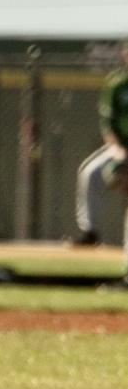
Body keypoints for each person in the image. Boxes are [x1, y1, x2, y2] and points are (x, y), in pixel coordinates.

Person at [70, 43, 128, 247]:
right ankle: (90, 231)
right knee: (90, 172)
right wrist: (118, 150)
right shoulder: (117, 84)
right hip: (121, 147)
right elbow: (108, 123)